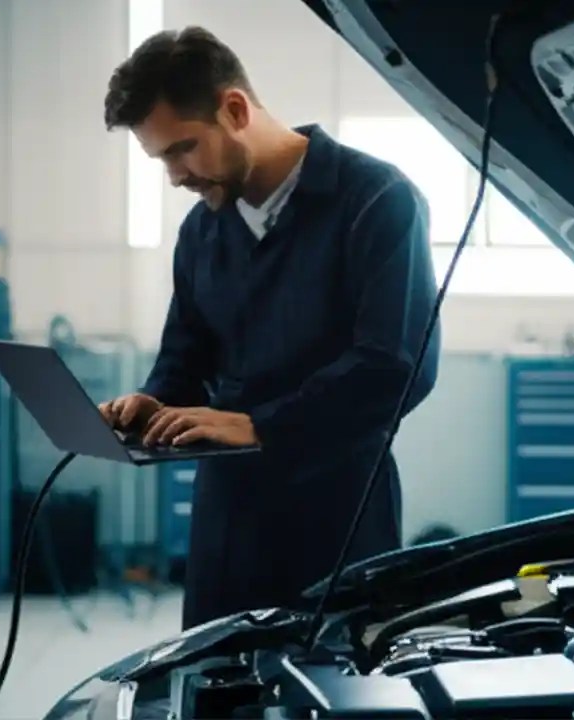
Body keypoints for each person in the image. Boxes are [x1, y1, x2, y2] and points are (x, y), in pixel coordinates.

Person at [99, 26, 441, 629]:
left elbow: (395, 366)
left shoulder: (377, 200)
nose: (175, 176)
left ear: (234, 109)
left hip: (339, 522)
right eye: (161, 160)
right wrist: (150, 406)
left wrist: (262, 425)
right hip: (226, 524)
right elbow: (186, 356)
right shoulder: (202, 230)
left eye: (182, 149)